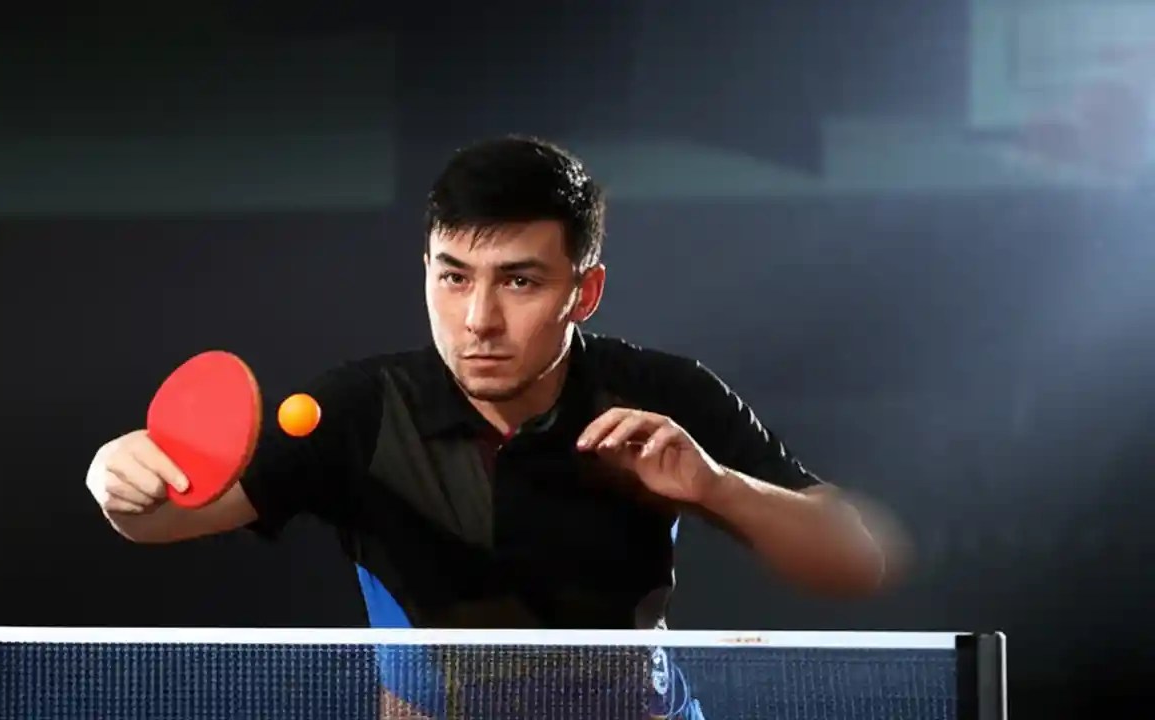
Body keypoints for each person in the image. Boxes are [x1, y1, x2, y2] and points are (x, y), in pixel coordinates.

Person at [86, 136, 895, 718]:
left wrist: (717, 488)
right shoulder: (359, 409)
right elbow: (162, 518)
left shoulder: (663, 392)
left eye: (518, 281)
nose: (478, 319)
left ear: (585, 291)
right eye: (453, 276)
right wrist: (120, 481)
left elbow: (857, 559)